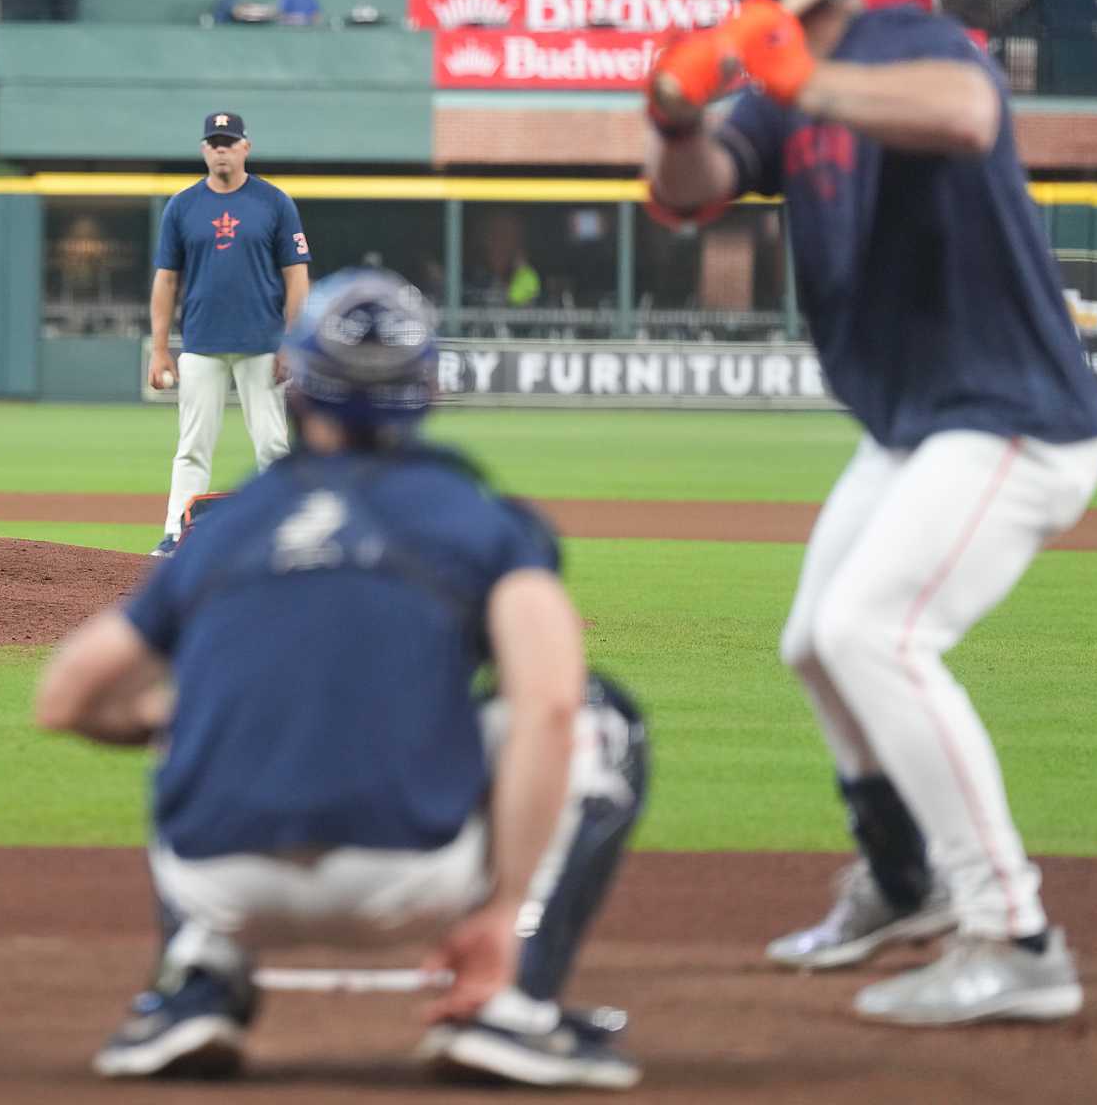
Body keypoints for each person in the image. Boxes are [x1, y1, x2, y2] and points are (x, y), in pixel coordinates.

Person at [644, 0, 1097, 1025]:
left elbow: (962, 115)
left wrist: (810, 79)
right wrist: (672, 118)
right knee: (813, 639)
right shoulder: (773, 94)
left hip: (1007, 413)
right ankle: (899, 881)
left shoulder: (902, 41)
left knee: (874, 632)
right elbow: (686, 192)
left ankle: (1014, 934)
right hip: (910, 425)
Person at [35, 270, 649, 1089]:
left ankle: (196, 984)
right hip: (411, 877)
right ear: (426, 386)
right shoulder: (482, 520)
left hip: (218, 879)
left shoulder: (221, 530)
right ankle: (506, 1000)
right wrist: (500, 911)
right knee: (600, 715)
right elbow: (548, 707)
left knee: (196, 704)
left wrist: (183, 722)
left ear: (294, 383)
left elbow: (65, 697)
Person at [147, 112, 312, 557]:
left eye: (229, 141)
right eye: (214, 141)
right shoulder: (182, 205)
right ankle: (175, 534)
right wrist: (159, 348)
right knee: (193, 445)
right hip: (201, 341)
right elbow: (166, 280)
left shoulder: (273, 202)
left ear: (245, 147)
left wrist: (293, 341)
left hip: (263, 344)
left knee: (274, 444)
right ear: (204, 149)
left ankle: (289, 533)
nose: (221, 148)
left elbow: (297, 277)